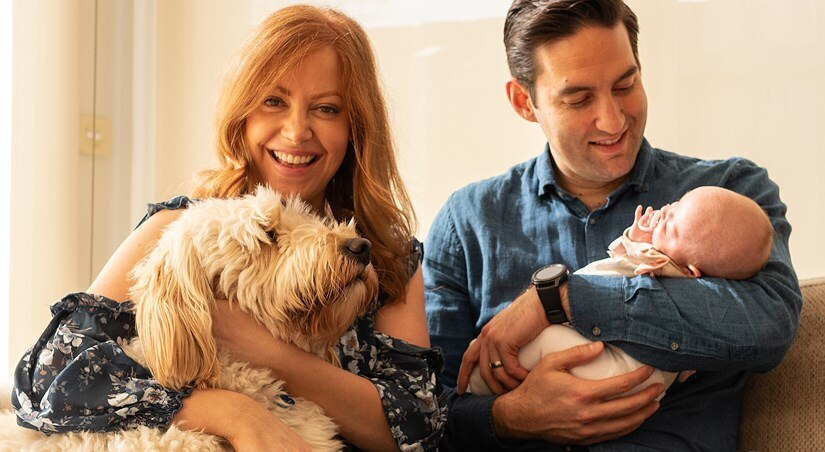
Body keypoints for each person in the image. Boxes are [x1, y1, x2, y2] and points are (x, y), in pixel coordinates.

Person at [13, 5, 446, 451]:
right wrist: (235, 413)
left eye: (326, 108)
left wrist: (269, 352)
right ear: (244, 114)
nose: (297, 132)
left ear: (355, 126)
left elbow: (416, 428)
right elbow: (50, 379)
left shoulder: (389, 255)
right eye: (274, 101)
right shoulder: (180, 231)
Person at [423, 0, 801, 450]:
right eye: (579, 98)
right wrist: (511, 417)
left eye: (626, 84)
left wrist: (562, 299)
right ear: (525, 102)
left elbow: (768, 325)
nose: (613, 119)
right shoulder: (468, 223)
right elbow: (426, 410)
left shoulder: (730, 192)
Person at [467, 186, 774, 396]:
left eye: (671, 228)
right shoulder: (678, 262)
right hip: (640, 376)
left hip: (621, 371)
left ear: (694, 271)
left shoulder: (665, 265)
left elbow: (626, 260)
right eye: (674, 207)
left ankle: (477, 386)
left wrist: (636, 240)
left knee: (546, 342)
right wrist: (644, 234)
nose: (663, 215)